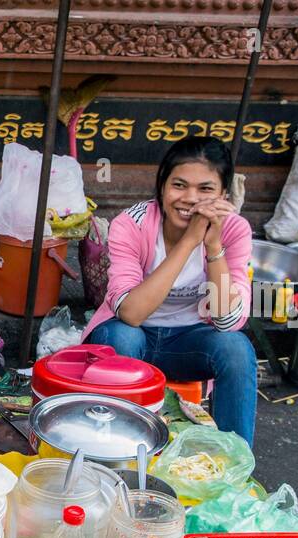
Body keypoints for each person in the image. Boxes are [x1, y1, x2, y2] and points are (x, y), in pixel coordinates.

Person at [84, 136, 257, 446]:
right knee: (124, 335)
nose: (190, 198)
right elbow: (132, 314)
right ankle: (116, 447)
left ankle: (236, 461)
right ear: (162, 187)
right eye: (179, 185)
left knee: (236, 349)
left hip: (189, 342)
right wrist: (190, 240)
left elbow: (228, 323)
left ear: (223, 195)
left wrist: (213, 246)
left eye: (205, 189)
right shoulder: (131, 224)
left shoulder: (234, 230)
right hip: (132, 337)